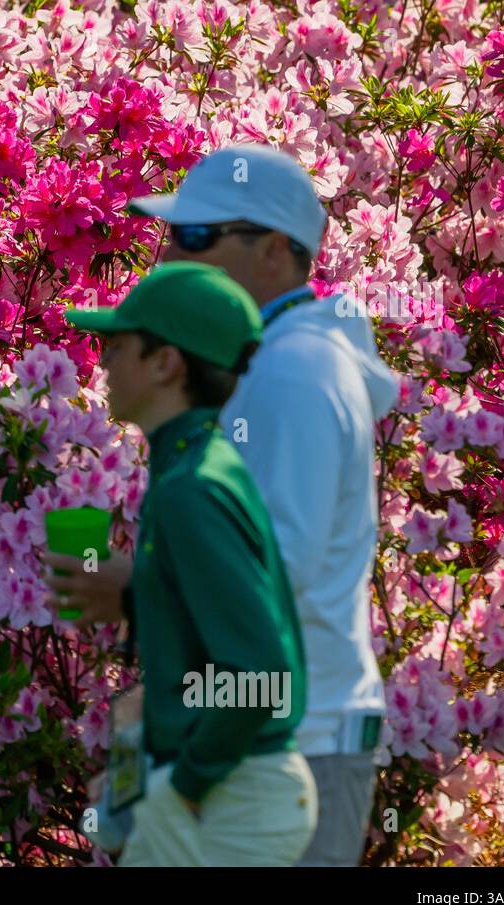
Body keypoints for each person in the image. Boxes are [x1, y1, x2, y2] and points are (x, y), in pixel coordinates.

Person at [62, 143, 397, 866]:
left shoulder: (293, 371)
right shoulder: (282, 360)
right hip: (275, 734)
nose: (171, 259)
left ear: (275, 251)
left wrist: (137, 586)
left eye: (196, 238)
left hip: (290, 740)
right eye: (172, 236)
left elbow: (281, 570)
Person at [56, 261, 316, 866]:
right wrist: (139, 593)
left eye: (116, 346)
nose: (102, 362)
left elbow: (260, 671)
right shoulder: (199, 463)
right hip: (235, 789)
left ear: (166, 363)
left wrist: (185, 785)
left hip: (227, 797)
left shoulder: (191, 487)